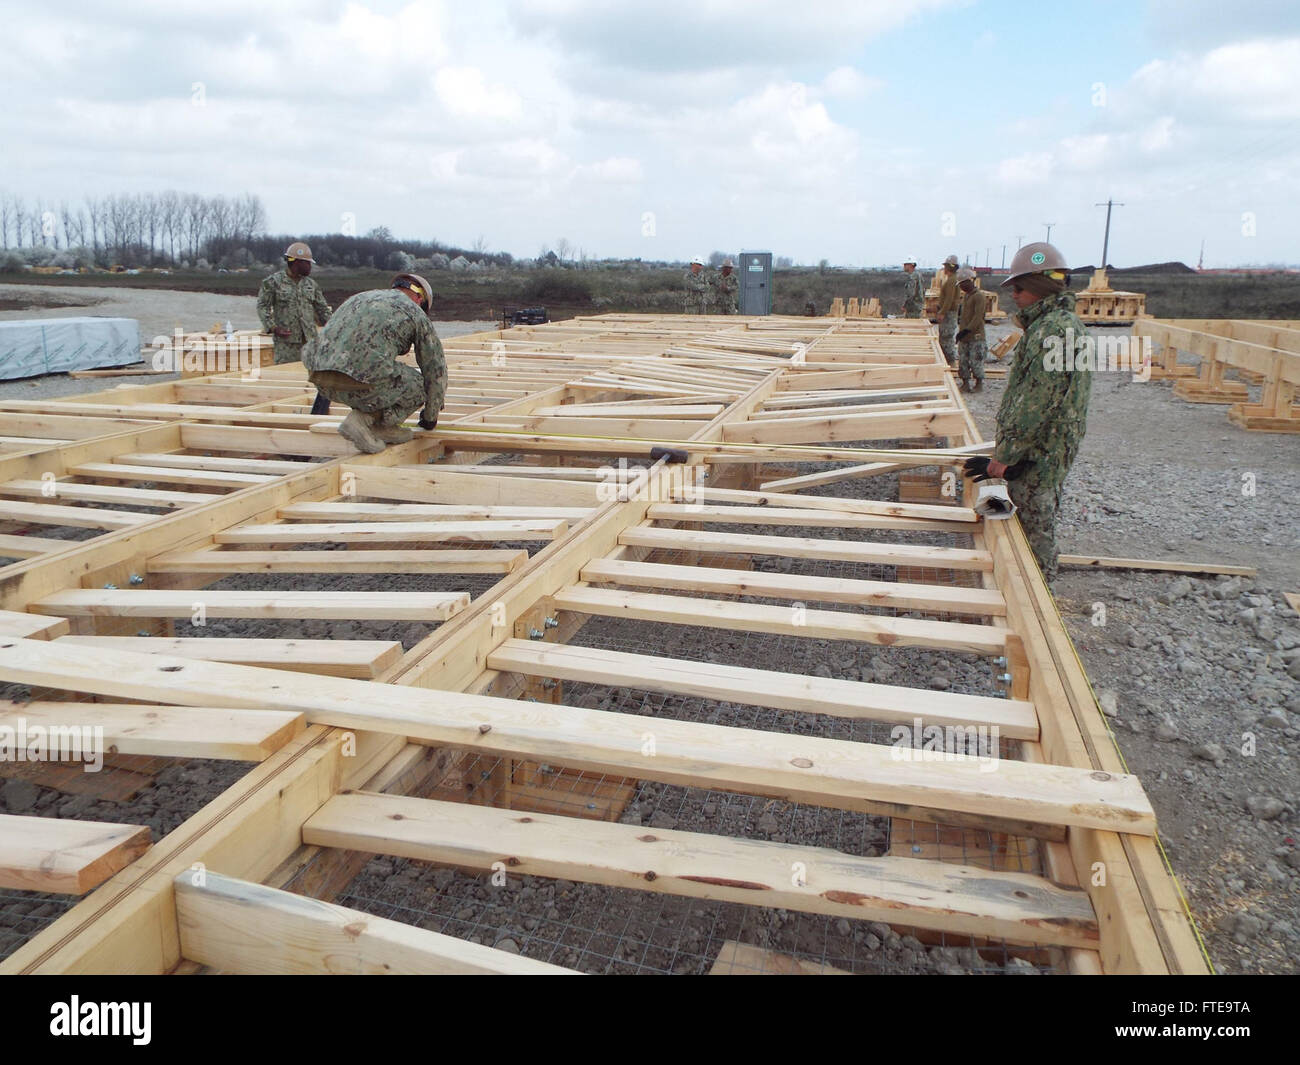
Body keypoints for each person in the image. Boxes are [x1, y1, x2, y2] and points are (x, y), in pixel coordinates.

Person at [964, 242, 1091, 581]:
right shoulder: (1054, 325)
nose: (1014, 295)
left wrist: (1004, 459)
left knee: (1035, 528)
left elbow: (1036, 402)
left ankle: (1038, 597)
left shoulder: (1054, 330)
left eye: (1019, 288)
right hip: (1041, 449)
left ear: (1038, 287)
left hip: (1038, 454)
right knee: (1033, 518)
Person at [303, 273, 446, 454]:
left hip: (321, 382)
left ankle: (383, 428)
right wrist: (430, 417)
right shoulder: (414, 311)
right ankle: (364, 422)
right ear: (419, 299)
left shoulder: (359, 298)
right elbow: (435, 371)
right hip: (361, 383)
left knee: (380, 374)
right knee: (419, 384)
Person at [257, 241, 334, 415]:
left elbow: (322, 309)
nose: (310, 267)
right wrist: (272, 327)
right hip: (287, 346)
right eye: (307, 263)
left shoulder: (311, 285)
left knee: (313, 383)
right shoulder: (273, 282)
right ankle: (286, 417)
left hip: (311, 344)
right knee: (286, 384)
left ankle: (310, 415)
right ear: (296, 262)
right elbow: (262, 306)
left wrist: (335, 327)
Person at [954, 267, 986, 392]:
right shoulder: (967, 297)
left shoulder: (979, 297)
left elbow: (978, 317)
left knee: (976, 360)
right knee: (963, 360)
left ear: (969, 282)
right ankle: (965, 383)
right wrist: (961, 332)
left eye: (962, 284)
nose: (961, 287)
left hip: (976, 336)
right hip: (965, 336)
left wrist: (967, 330)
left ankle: (979, 383)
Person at [934, 254, 960, 364]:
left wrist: (942, 312)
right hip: (948, 312)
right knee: (945, 337)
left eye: (945, 266)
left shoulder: (951, 280)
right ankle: (947, 360)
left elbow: (949, 299)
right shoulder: (952, 279)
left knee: (946, 338)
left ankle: (950, 361)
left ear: (949, 267)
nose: (944, 269)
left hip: (949, 313)